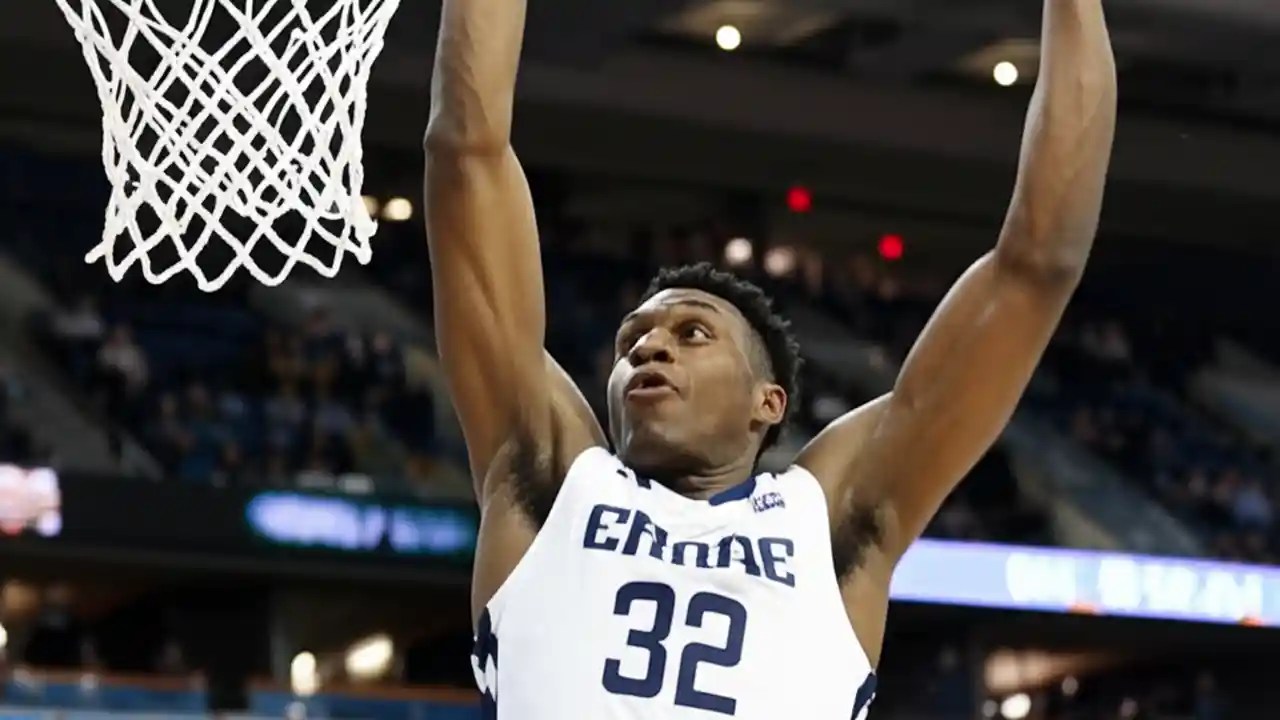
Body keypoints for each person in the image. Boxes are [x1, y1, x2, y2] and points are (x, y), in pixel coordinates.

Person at [424, 0, 1116, 716]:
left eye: (693, 333)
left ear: (769, 402)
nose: (649, 346)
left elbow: (1038, 265)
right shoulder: (552, 479)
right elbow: (466, 149)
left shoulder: (826, 519)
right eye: (632, 341)